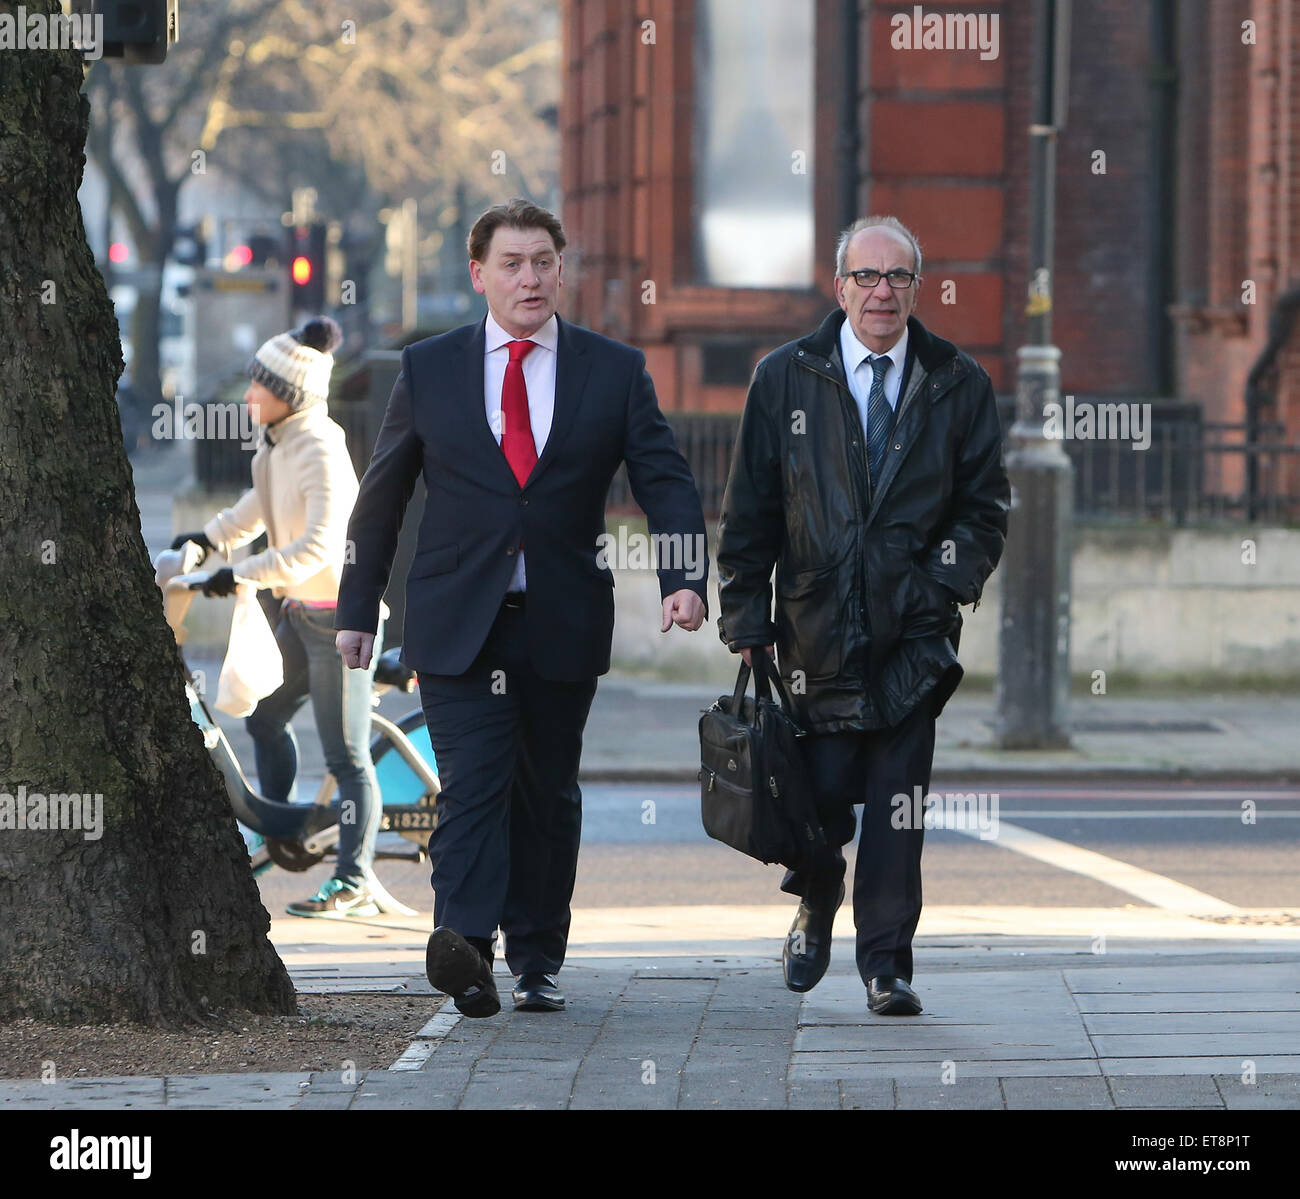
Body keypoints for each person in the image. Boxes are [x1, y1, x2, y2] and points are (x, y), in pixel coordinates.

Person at [334, 198, 709, 1017]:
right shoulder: (428, 369)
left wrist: (684, 575)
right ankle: (466, 944)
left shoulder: (611, 371)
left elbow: (667, 480)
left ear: (561, 270)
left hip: (560, 619)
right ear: (479, 275)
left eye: (543, 261)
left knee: (546, 792)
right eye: (512, 263)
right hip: (458, 620)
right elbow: (382, 495)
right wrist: (357, 608)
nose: (530, 278)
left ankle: (538, 956)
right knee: (472, 783)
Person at [715, 215, 1009, 1015]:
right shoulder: (786, 377)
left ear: (916, 288)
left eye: (898, 278)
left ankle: (887, 964)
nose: (883, 292)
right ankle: (817, 891)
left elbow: (984, 509)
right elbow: (751, 511)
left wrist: (936, 588)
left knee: (896, 803)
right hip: (810, 633)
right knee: (816, 797)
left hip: (912, 644)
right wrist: (745, 614)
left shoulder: (956, 381)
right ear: (839, 286)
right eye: (867, 277)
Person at [173, 316, 387, 918]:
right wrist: (206, 540)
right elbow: (256, 509)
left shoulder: (319, 444)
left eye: (257, 387)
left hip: (342, 622)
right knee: (266, 719)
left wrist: (240, 573)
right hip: (299, 612)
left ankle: (354, 879)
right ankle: (278, 828)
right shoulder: (277, 444)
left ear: (286, 394)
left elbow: (321, 544)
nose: (247, 397)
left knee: (346, 756)